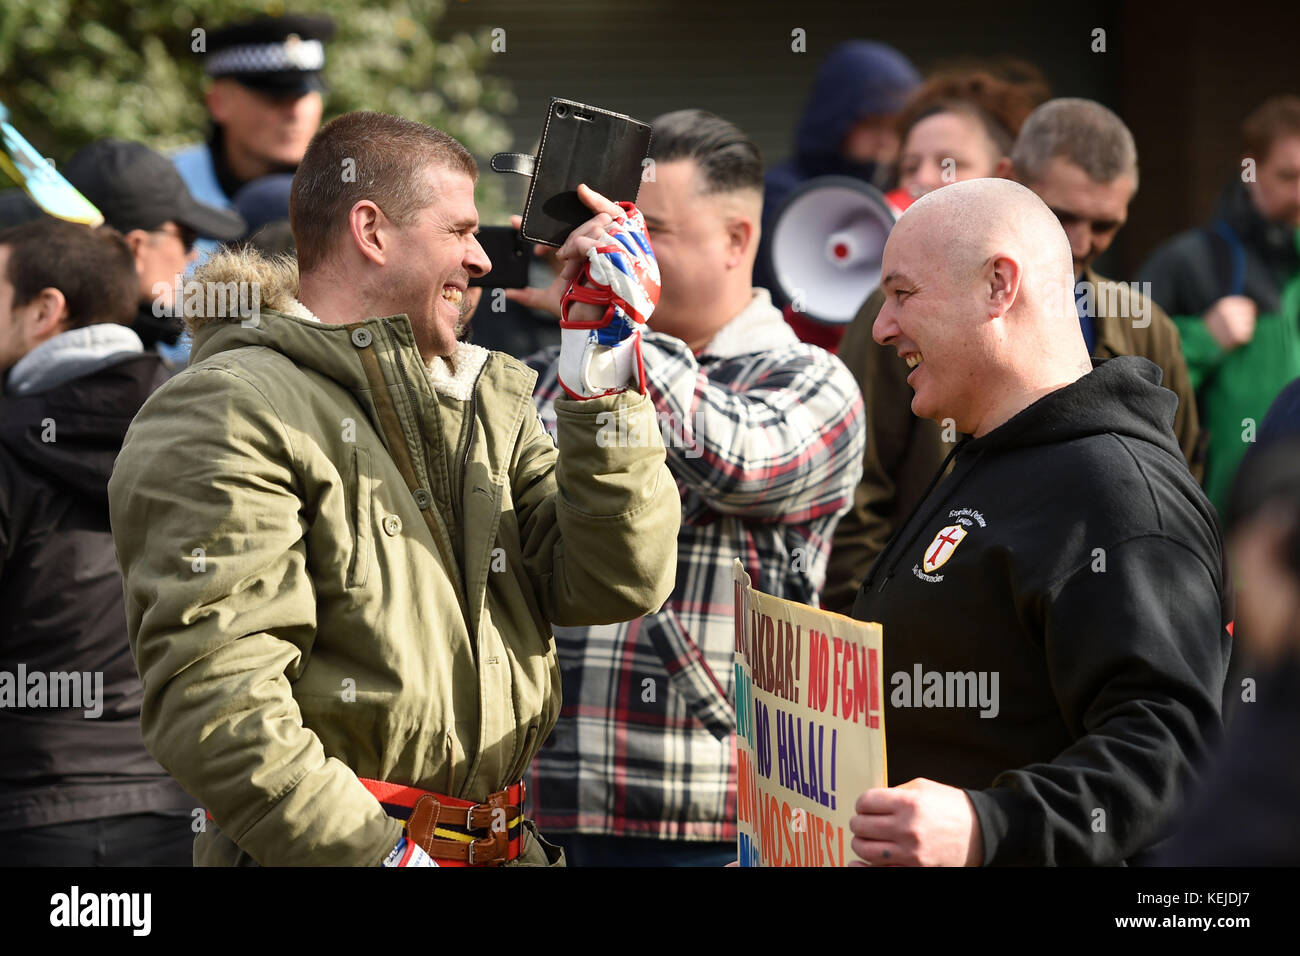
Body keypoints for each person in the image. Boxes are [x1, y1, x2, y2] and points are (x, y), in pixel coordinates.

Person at [107, 111, 681, 867]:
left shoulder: (484, 399)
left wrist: (601, 364)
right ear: (371, 230)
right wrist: (380, 859)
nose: (482, 259)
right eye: (460, 231)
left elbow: (616, 581)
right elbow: (217, 700)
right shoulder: (228, 405)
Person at [847, 178, 1229, 866]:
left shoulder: (1117, 492)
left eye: (902, 294)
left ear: (1000, 285)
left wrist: (987, 826)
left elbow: (1173, 752)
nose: (881, 327)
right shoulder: (988, 451)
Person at [523, 110, 864, 865]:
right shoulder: (559, 368)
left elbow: (739, 461)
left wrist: (617, 330)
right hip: (545, 798)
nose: (614, 247)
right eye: (613, 228)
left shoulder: (812, 380)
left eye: (649, 231)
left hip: (717, 810)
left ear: (739, 238)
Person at [824, 98, 1201, 613]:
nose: (1083, 242)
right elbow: (855, 491)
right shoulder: (904, 311)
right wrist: (875, 634)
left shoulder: (1147, 328)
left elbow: (1178, 481)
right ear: (1008, 179)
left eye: (1106, 225)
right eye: (1062, 215)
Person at [0, 218, 194, 864]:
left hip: (33, 808)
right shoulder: (203, 421)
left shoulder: (8, 444)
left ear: (44, 311)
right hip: (180, 799)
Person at [1138, 94, 1300, 517]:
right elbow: (1125, 383)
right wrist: (1201, 341)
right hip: (1221, 534)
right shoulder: (1189, 262)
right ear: (1250, 171)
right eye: (1288, 176)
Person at [754, 40, 920, 308]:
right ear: (836, 120)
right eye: (873, 124)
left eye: (897, 127)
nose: (886, 140)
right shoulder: (779, 194)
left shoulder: (897, 183)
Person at [61, 140, 247, 368]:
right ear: (135, 248)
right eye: (187, 241)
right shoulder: (126, 379)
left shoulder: (31, 332)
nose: (193, 256)